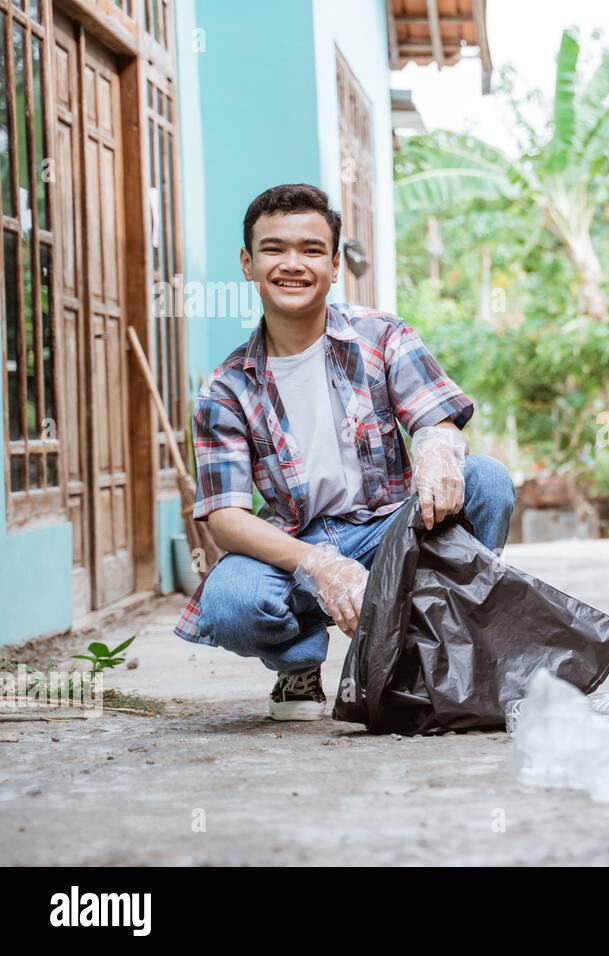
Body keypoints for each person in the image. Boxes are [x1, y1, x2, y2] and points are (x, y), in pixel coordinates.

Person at [172, 183, 515, 720]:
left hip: (393, 528)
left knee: (487, 480)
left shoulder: (381, 336)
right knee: (232, 602)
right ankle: (300, 661)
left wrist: (437, 448)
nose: (292, 265)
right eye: (273, 249)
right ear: (247, 263)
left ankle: (435, 646)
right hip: (297, 543)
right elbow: (227, 519)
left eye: (311, 250)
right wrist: (321, 565)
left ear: (335, 266)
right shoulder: (226, 389)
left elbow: (436, 419)